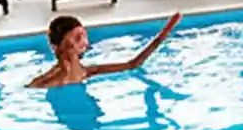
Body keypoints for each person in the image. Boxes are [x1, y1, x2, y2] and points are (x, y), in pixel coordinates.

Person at [28, 13, 182, 88]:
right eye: (77, 38)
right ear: (60, 45)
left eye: (84, 36)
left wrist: (164, 33)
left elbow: (132, 64)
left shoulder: (86, 72)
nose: (84, 42)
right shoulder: (52, 82)